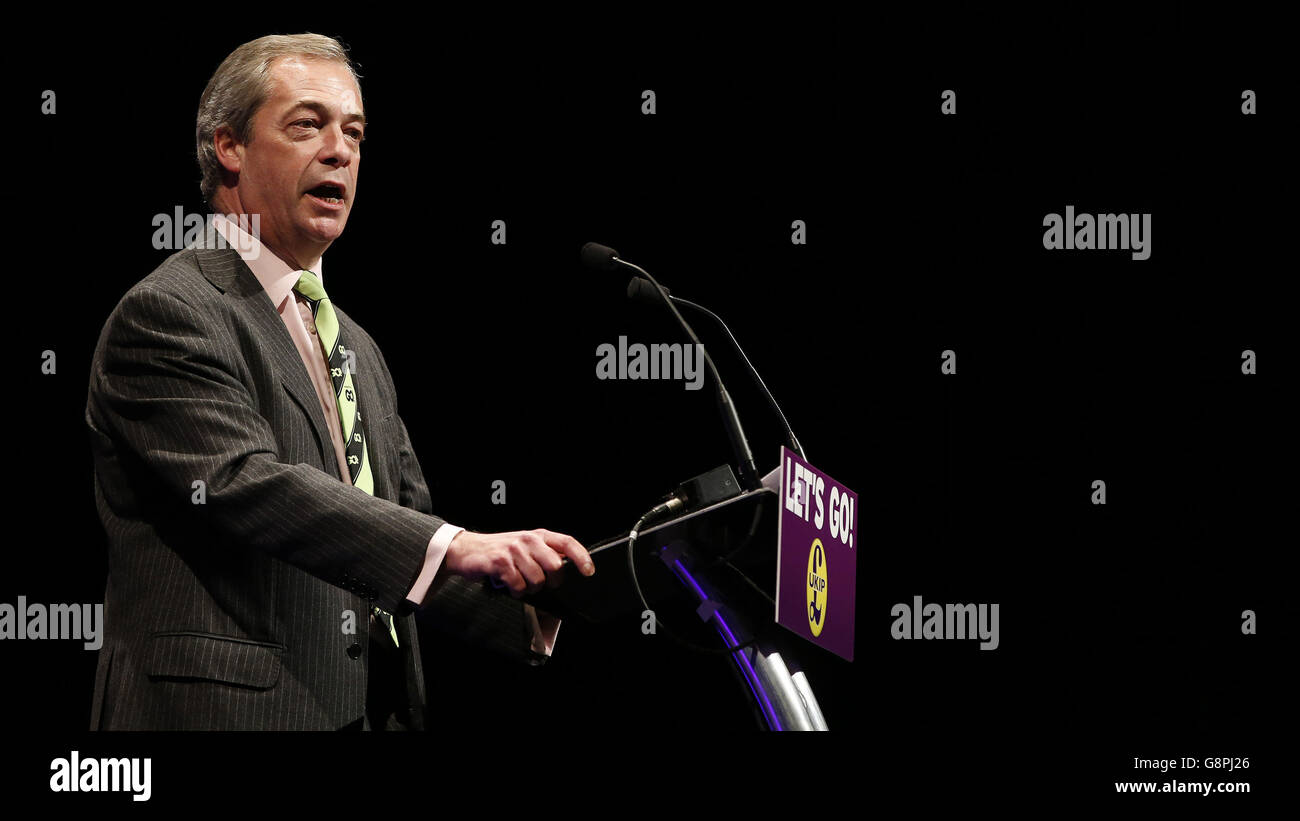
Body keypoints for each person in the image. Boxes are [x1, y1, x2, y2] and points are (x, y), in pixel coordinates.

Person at [84, 33, 593, 730]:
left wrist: (545, 593)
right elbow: (247, 483)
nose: (340, 150)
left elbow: (402, 532)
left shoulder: (357, 346)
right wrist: (457, 542)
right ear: (228, 146)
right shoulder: (170, 313)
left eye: (354, 131)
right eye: (307, 124)